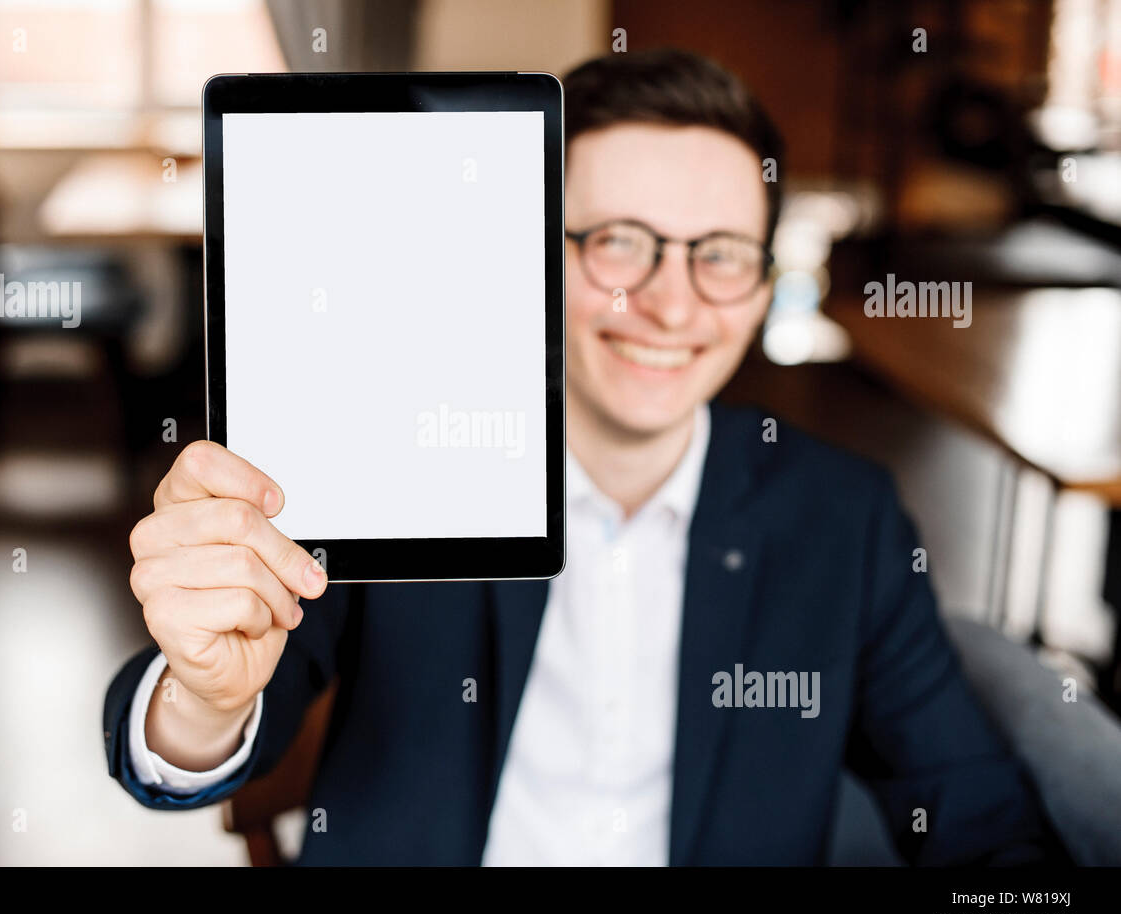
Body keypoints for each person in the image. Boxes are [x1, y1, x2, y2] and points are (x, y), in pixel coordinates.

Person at [104, 48, 1062, 865]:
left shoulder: (844, 520)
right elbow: (196, 742)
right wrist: (201, 698)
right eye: (618, 243)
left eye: (721, 253)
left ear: (766, 283)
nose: (673, 305)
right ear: (526, 252)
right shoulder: (393, 456)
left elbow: (979, 824)